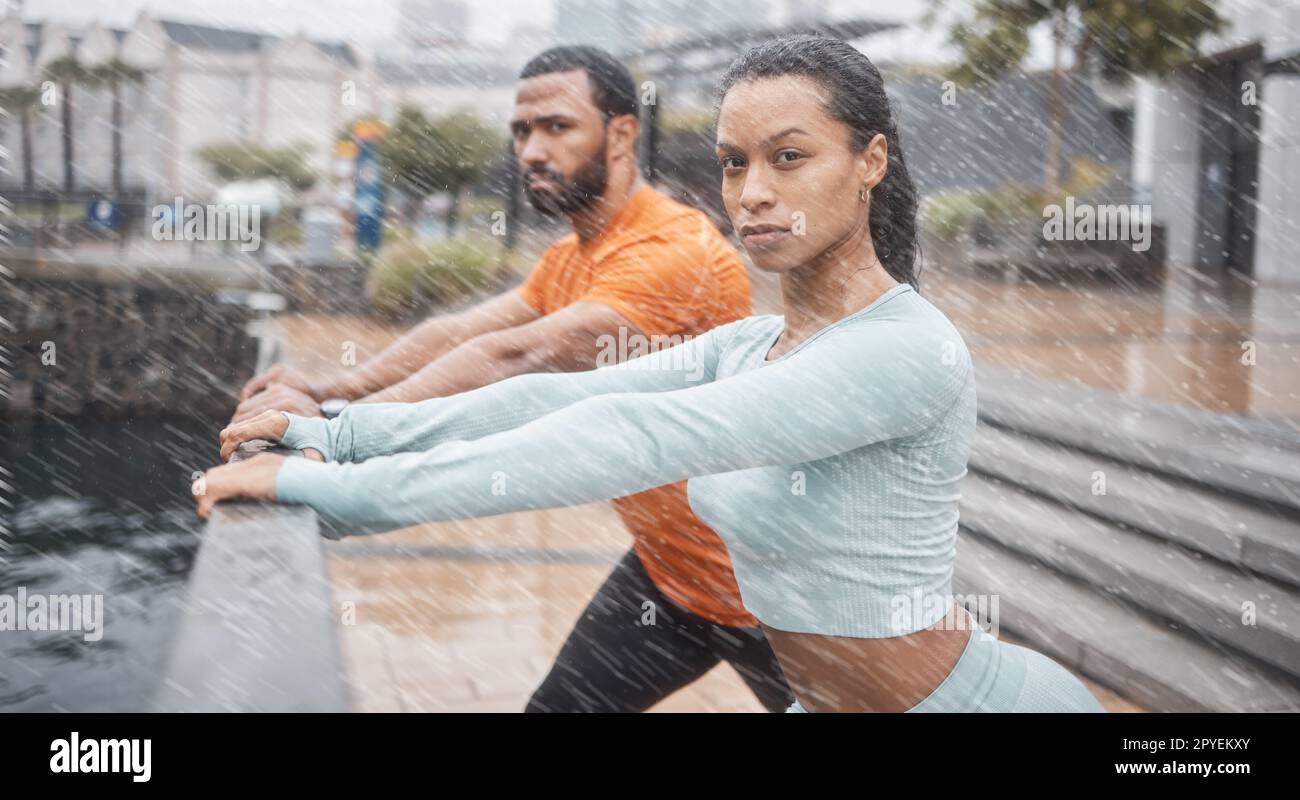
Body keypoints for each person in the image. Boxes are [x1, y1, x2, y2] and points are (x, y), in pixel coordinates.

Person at [198, 35, 1105, 713]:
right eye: (734, 163)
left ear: (869, 162)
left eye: (789, 158)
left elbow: (633, 434)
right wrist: (333, 432)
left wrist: (337, 495)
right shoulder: (754, 342)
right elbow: (558, 392)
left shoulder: (903, 348)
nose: (751, 192)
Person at [227, 45, 793, 713]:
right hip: (671, 576)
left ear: (620, 134)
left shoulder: (674, 250)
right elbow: (463, 333)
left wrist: (338, 434)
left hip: (772, 588)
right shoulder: (572, 255)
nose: (530, 149)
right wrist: (328, 391)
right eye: (522, 131)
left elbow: (519, 355)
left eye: (556, 126)